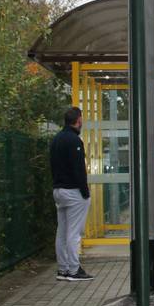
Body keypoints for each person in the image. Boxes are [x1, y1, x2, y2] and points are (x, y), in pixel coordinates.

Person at [50, 106, 95, 282]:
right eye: (82, 118)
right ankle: (75, 269)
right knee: (74, 233)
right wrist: (85, 191)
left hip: (58, 190)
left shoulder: (56, 139)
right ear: (78, 120)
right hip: (73, 191)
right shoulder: (74, 140)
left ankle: (63, 269)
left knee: (62, 231)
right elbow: (79, 169)